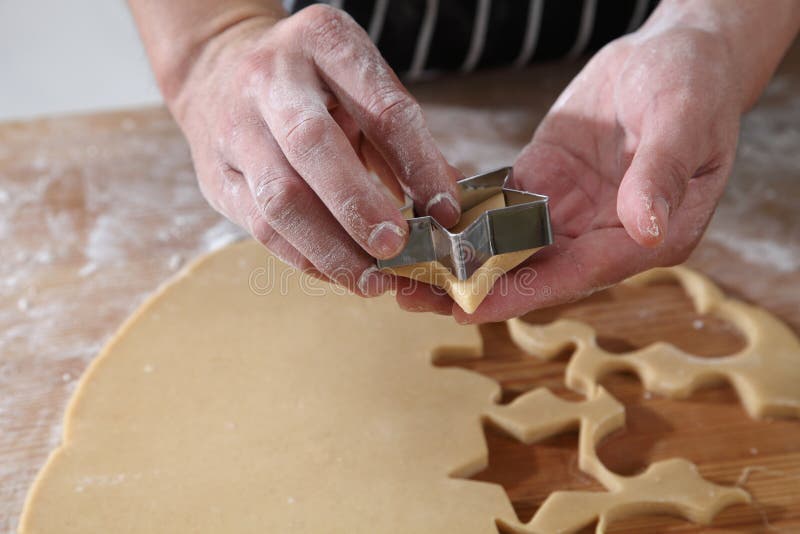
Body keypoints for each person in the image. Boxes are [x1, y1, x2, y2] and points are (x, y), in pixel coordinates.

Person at [127, 0, 800, 323]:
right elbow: (207, 30)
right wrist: (216, 48)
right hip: (342, 95)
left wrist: (711, 27)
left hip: (651, 85)